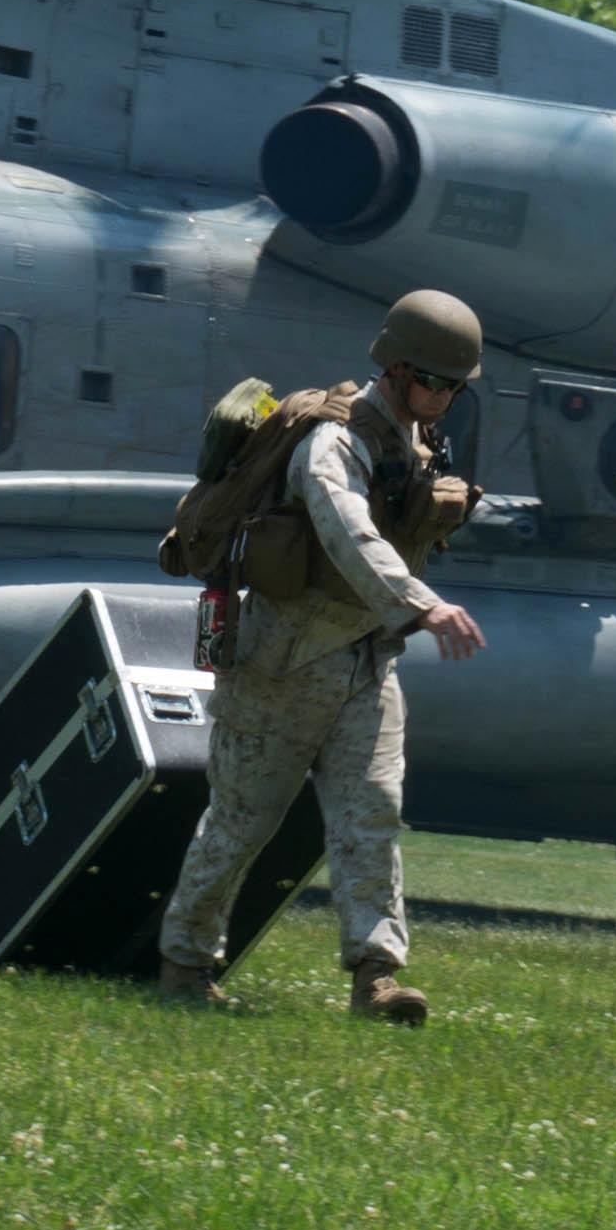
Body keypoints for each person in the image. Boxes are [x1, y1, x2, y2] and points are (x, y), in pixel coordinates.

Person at [146, 288, 492, 1019]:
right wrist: (422, 604)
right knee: (241, 822)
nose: (444, 397)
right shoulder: (332, 442)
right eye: (434, 381)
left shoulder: (415, 443)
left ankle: (375, 976)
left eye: (455, 387)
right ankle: (185, 964)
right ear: (396, 368)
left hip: (367, 660)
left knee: (373, 816)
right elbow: (346, 531)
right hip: (284, 658)